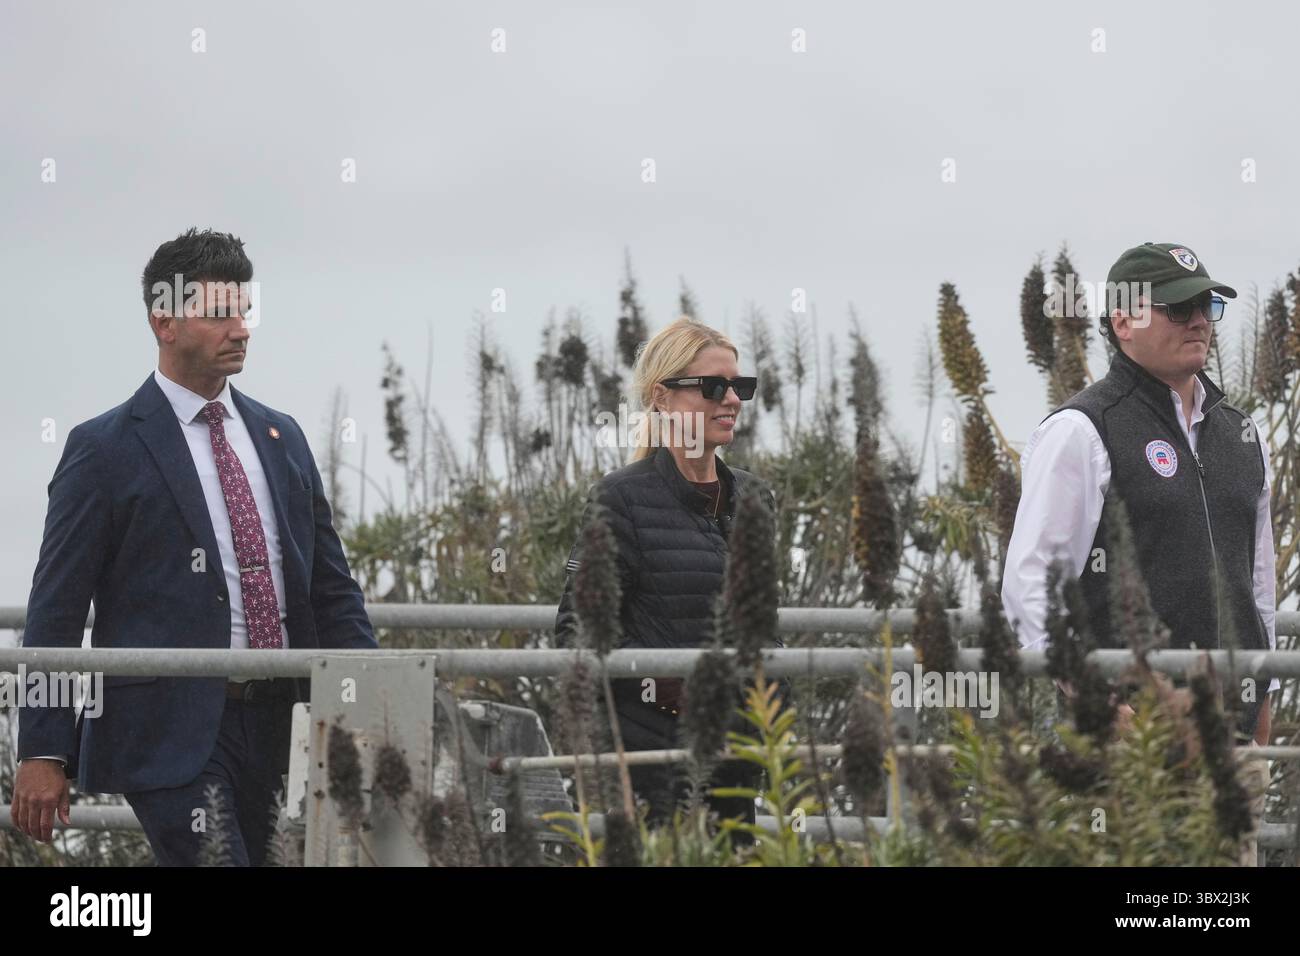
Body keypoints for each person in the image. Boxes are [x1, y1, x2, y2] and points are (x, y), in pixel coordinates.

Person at [10, 228, 377, 865]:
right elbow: (56, 609)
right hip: (172, 732)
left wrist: (370, 698)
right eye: (218, 314)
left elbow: (331, 587)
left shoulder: (280, 437)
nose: (240, 330)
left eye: (244, 311)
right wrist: (43, 750)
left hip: (285, 722)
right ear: (165, 322)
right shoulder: (103, 449)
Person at [1002, 242, 1275, 863]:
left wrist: (1266, 698)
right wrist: (1098, 701)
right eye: (1178, 309)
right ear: (1123, 320)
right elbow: (1032, 585)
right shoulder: (1081, 429)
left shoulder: (1241, 434)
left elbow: (1259, 583)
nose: (1200, 320)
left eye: (1206, 305)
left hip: (1230, 740)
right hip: (1128, 741)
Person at [554, 316, 777, 831]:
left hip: (737, 757)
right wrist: (668, 687)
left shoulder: (755, 498)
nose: (731, 400)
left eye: (740, 386)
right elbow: (576, 631)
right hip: (651, 763)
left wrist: (772, 703)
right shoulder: (620, 498)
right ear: (663, 397)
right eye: (713, 387)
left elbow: (763, 626)